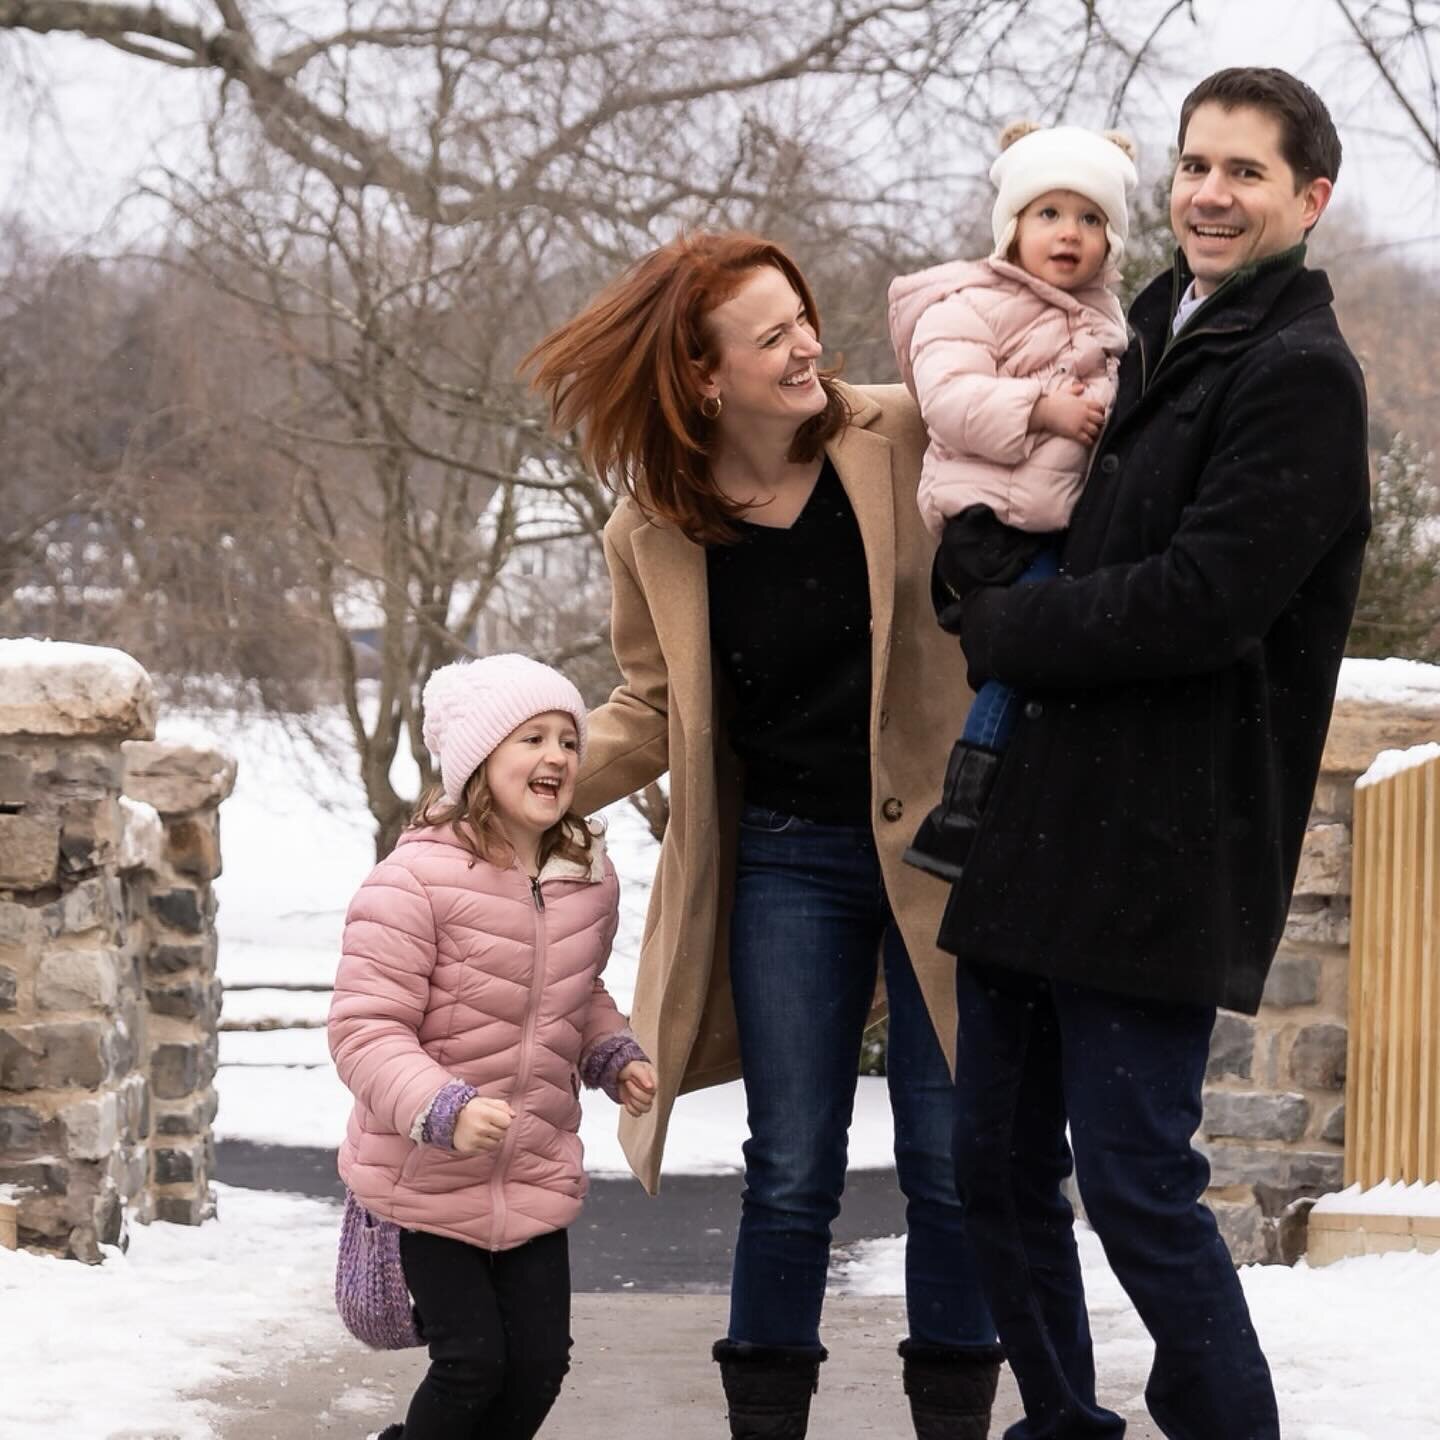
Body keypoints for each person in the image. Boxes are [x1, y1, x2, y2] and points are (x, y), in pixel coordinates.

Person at [936, 68, 1371, 1439]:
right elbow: (1058, 511)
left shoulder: (1302, 376)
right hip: (1043, 819)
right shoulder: (1140, 329)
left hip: (1162, 841)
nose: (1209, 194)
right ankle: (1065, 1420)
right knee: (993, 1165)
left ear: (1309, 198)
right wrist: (980, 562)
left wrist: (1012, 628)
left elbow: (1208, 599)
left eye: (1244, 172)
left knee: (1132, 1179)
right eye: (1194, 166)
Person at [523, 232, 1000, 1440]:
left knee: (953, 1169)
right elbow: (648, 703)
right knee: (792, 1170)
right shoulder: (654, 527)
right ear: (702, 376)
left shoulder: (900, 434)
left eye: (806, 319)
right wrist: (525, 782)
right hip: (785, 859)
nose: (808, 347)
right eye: (773, 334)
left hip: (947, 853)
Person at [328, 653, 657, 1440]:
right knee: (472, 1361)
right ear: (478, 762)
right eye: (531, 738)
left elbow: (578, 994)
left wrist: (613, 1054)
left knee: (539, 1366)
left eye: (568, 741)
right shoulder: (411, 883)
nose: (557, 757)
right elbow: (363, 1029)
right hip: (426, 1178)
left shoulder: (589, 879)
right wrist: (442, 1106)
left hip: (533, 1168)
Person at [888, 122, 1136, 881]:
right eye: (1050, 215)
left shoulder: (1107, 317)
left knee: (1072, 660)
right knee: (1022, 660)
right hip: (994, 523)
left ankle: (1034, 802)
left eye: (1092, 219)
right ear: (1013, 227)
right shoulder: (969, 301)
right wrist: (1042, 409)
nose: (1072, 234)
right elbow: (949, 400)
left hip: (1060, 523)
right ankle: (965, 810)